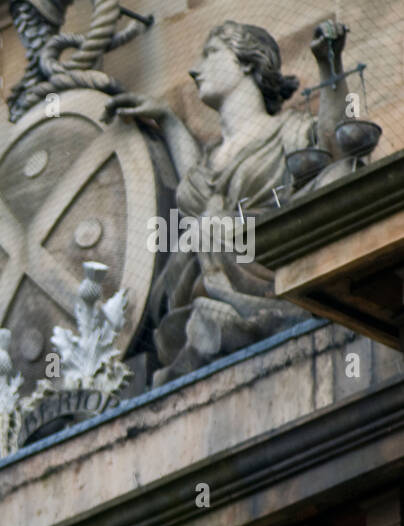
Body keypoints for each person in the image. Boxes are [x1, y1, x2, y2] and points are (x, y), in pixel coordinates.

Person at [102, 21, 352, 383]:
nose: (194, 69)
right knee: (204, 232)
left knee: (211, 231)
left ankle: (246, 317)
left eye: (210, 53)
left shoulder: (289, 130)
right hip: (203, 278)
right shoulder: (210, 159)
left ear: (248, 62)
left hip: (267, 262)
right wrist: (167, 120)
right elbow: (201, 197)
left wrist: (331, 66)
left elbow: (336, 148)